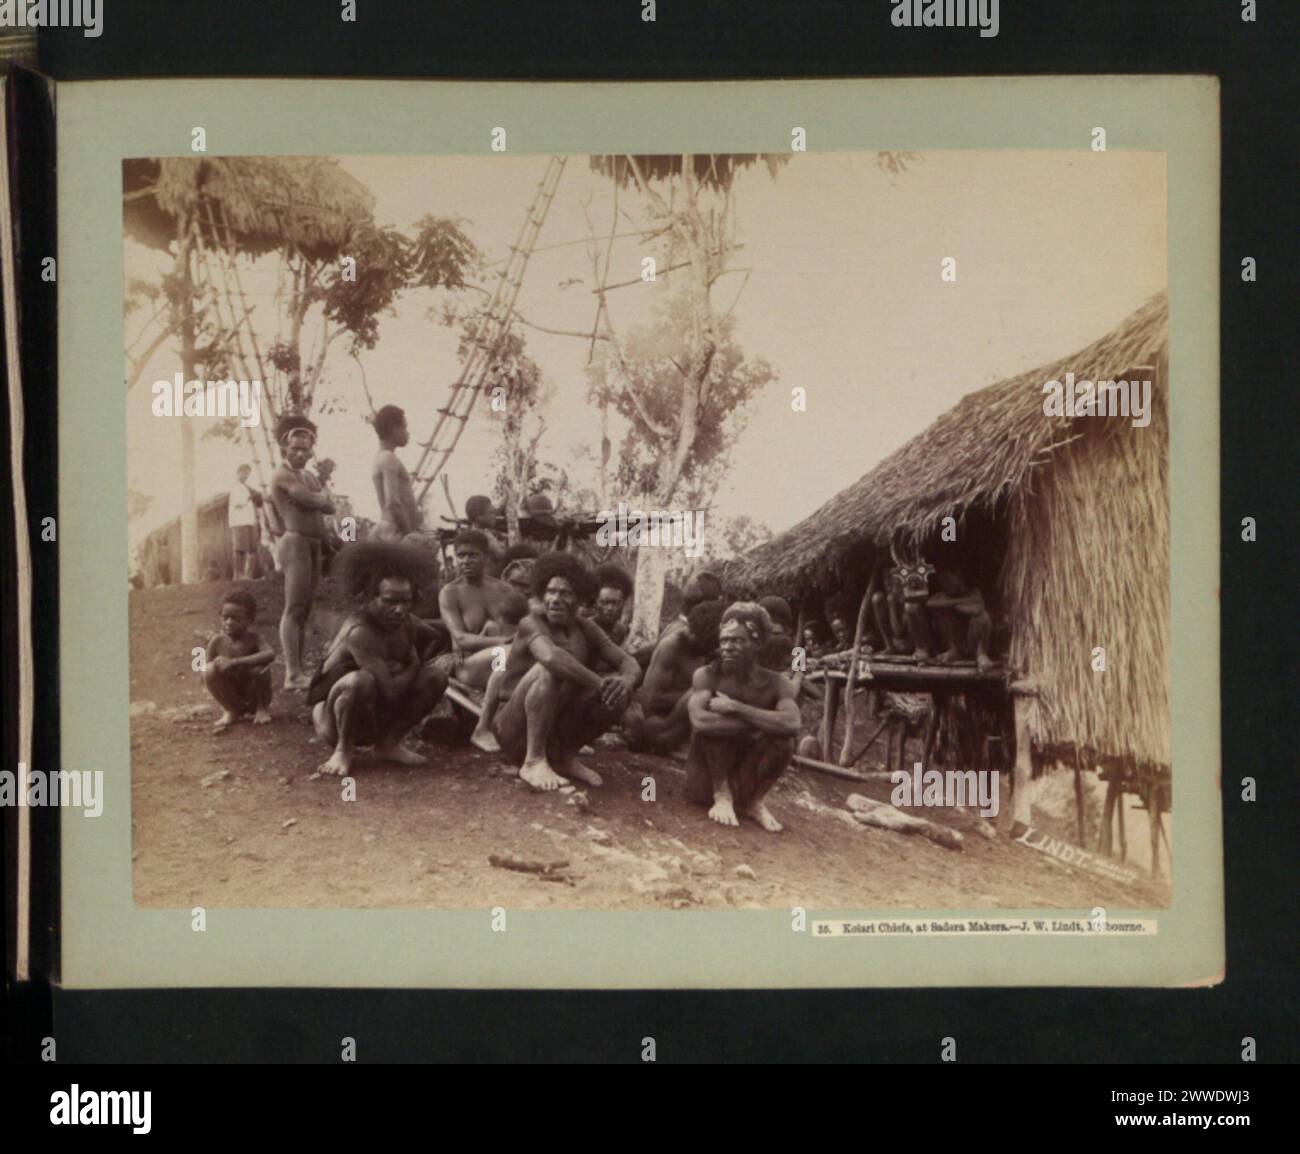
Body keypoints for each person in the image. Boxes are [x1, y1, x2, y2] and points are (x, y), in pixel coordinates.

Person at [490, 552, 640, 791]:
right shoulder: (531, 622)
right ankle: (533, 761)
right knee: (550, 669)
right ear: (541, 593)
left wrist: (626, 681)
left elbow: (628, 662)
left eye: (565, 593)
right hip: (513, 730)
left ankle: (564, 758)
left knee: (619, 693)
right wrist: (599, 683)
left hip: (554, 729)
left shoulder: (586, 627)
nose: (555, 599)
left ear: (579, 599)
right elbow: (550, 657)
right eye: (550, 591)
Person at [309, 542, 449, 776]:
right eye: (390, 601)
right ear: (370, 598)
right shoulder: (360, 631)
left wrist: (418, 661)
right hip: (334, 720)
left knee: (436, 677)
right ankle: (343, 750)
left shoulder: (404, 621)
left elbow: (436, 636)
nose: (399, 609)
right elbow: (391, 691)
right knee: (360, 681)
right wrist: (413, 664)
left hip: (376, 712)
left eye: (405, 601)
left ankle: (389, 744)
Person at [685, 602, 800, 832]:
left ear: (756, 644)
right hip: (705, 783)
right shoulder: (708, 675)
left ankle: (754, 802)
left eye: (737, 640)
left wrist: (737, 708)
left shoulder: (777, 683)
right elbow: (700, 721)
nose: (727, 647)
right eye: (724, 640)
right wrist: (762, 724)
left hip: (745, 778)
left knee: (784, 741)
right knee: (716, 724)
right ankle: (722, 795)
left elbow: (792, 723)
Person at [269, 416, 334, 689]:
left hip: (313, 543)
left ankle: (298, 671)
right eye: (294, 449)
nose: (299, 453)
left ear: (311, 450)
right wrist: (321, 494)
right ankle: (292, 673)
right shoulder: (281, 474)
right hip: (295, 542)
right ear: (285, 448)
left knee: (304, 610)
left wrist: (322, 489)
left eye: (304, 450)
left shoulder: (308, 475)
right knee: (294, 607)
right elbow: (312, 499)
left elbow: (330, 507)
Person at [624, 599, 725, 754]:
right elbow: (651, 701)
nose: (709, 649)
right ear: (692, 631)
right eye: (705, 644)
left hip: (685, 722)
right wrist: (697, 690)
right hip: (661, 723)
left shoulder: (706, 648)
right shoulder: (672, 646)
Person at [437, 529, 519, 690]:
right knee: (504, 652)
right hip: (469, 664)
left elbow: (520, 625)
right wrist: (502, 642)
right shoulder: (450, 592)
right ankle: (500, 694)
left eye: (472, 555)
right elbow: (460, 639)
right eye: (461, 555)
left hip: (505, 659)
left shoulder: (504, 589)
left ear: (487, 557)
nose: (465, 561)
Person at [202, 589, 274, 730]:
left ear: (250, 620)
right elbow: (203, 666)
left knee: (261, 669)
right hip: (231, 694)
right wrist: (214, 667)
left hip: (253, 693)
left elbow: (270, 654)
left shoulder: (254, 639)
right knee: (208, 670)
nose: (229, 622)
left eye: (236, 618)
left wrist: (235, 662)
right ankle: (230, 710)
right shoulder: (217, 641)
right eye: (225, 617)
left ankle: (262, 709)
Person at [371, 404, 428, 545]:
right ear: (393, 428)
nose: (407, 432)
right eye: (404, 427)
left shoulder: (380, 457)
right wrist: (409, 534)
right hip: (395, 531)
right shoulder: (389, 458)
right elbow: (393, 502)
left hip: (389, 529)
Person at [927, 566, 994, 671]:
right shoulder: (943, 595)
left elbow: (978, 609)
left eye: (947, 580)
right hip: (956, 641)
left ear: (959, 577)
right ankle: (953, 650)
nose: (945, 585)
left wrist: (956, 607)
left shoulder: (974, 592)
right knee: (941, 612)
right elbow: (930, 603)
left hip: (971, 640)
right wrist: (958, 603)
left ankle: (981, 654)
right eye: (942, 582)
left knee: (983, 616)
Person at [228, 464, 264, 579]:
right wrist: (251, 496)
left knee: (253, 548)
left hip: (249, 520)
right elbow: (238, 503)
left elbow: (258, 502)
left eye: (247, 473)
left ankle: (249, 574)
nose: (245, 475)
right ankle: (238, 574)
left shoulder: (246, 487)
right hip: (239, 521)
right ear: (238, 473)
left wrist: (257, 495)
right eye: (243, 473)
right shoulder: (235, 486)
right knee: (240, 548)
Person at [589, 562, 634, 646]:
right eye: (605, 602)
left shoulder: (621, 631)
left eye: (615, 603)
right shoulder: (586, 628)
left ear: (623, 604)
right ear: (596, 603)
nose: (610, 608)